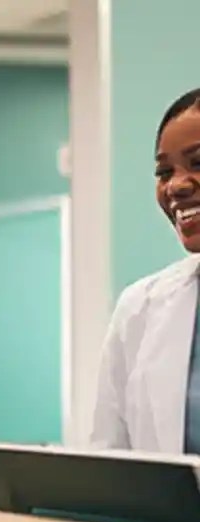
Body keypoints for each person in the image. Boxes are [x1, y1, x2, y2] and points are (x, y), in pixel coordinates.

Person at [91, 88, 200, 453]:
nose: (177, 185)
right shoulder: (139, 308)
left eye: (198, 162)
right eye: (164, 171)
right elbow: (109, 463)